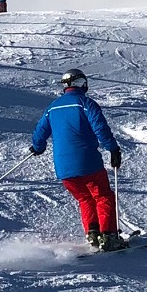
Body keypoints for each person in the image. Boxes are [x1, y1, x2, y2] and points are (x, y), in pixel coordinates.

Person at [30, 68, 126, 250]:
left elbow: (40, 132)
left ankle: (93, 233)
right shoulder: (85, 103)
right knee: (103, 196)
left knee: (85, 198)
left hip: (63, 168)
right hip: (87, 161)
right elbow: (100, 128)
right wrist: (113, 149)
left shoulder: (53, 107)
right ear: (82, 84)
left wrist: (37, 147)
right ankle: (109, 236)